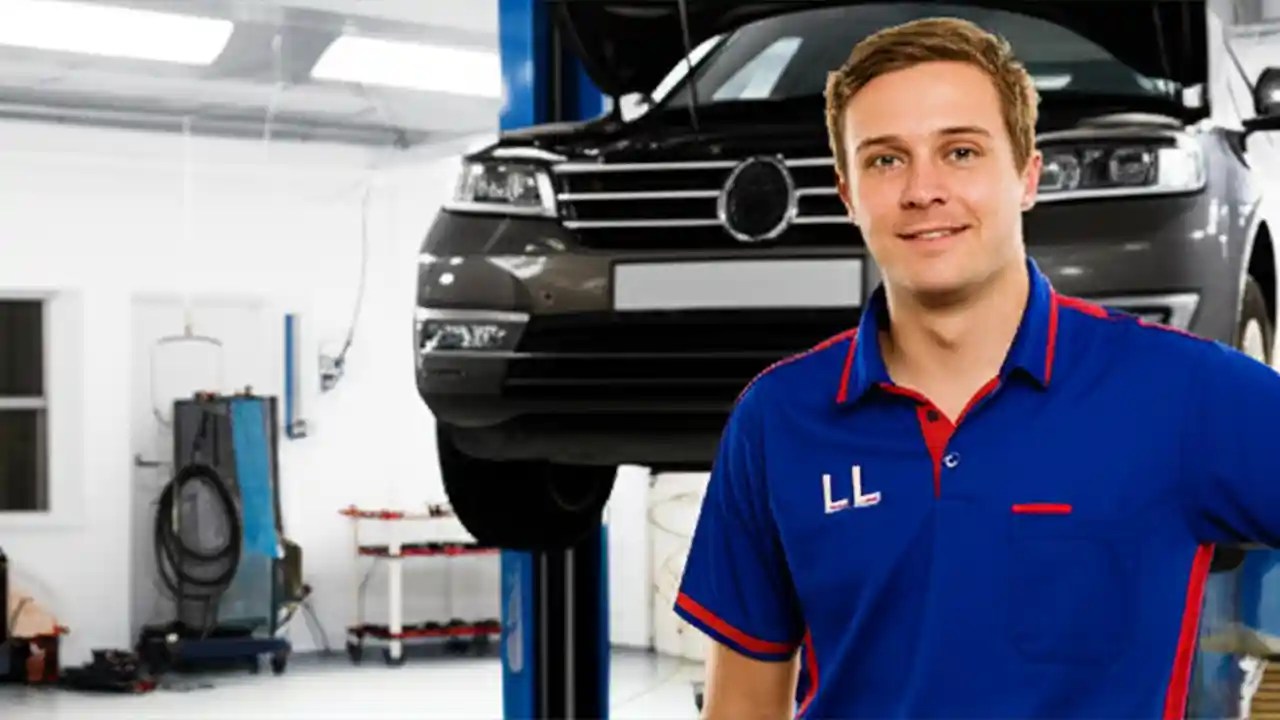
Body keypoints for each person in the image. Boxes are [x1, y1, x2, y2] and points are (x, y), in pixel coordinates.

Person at [673, 15, 1280, 720]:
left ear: (1027, 177)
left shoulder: (1181, 394)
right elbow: (741, 707)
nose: (923, 190)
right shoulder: (777, 421)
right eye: (885, 159)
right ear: (848, 197)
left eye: (960, 152)